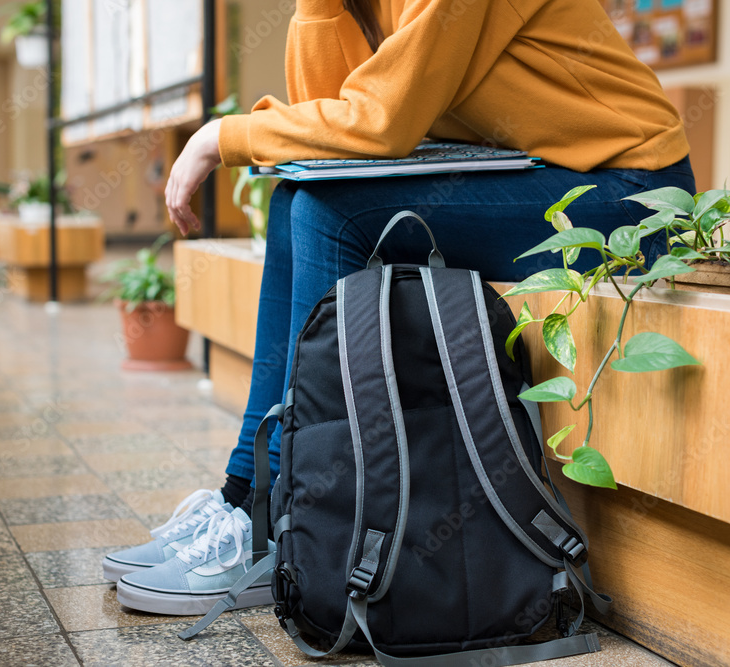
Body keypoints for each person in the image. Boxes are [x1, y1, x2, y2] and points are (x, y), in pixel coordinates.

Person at [105, 0, 695, 614]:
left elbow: (378, 123)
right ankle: (250, 498)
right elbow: (330, 120)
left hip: (632, 191)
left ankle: (294, 524)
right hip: (552, 167)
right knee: (295, 199)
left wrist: (220, 136)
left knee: (331, 213)